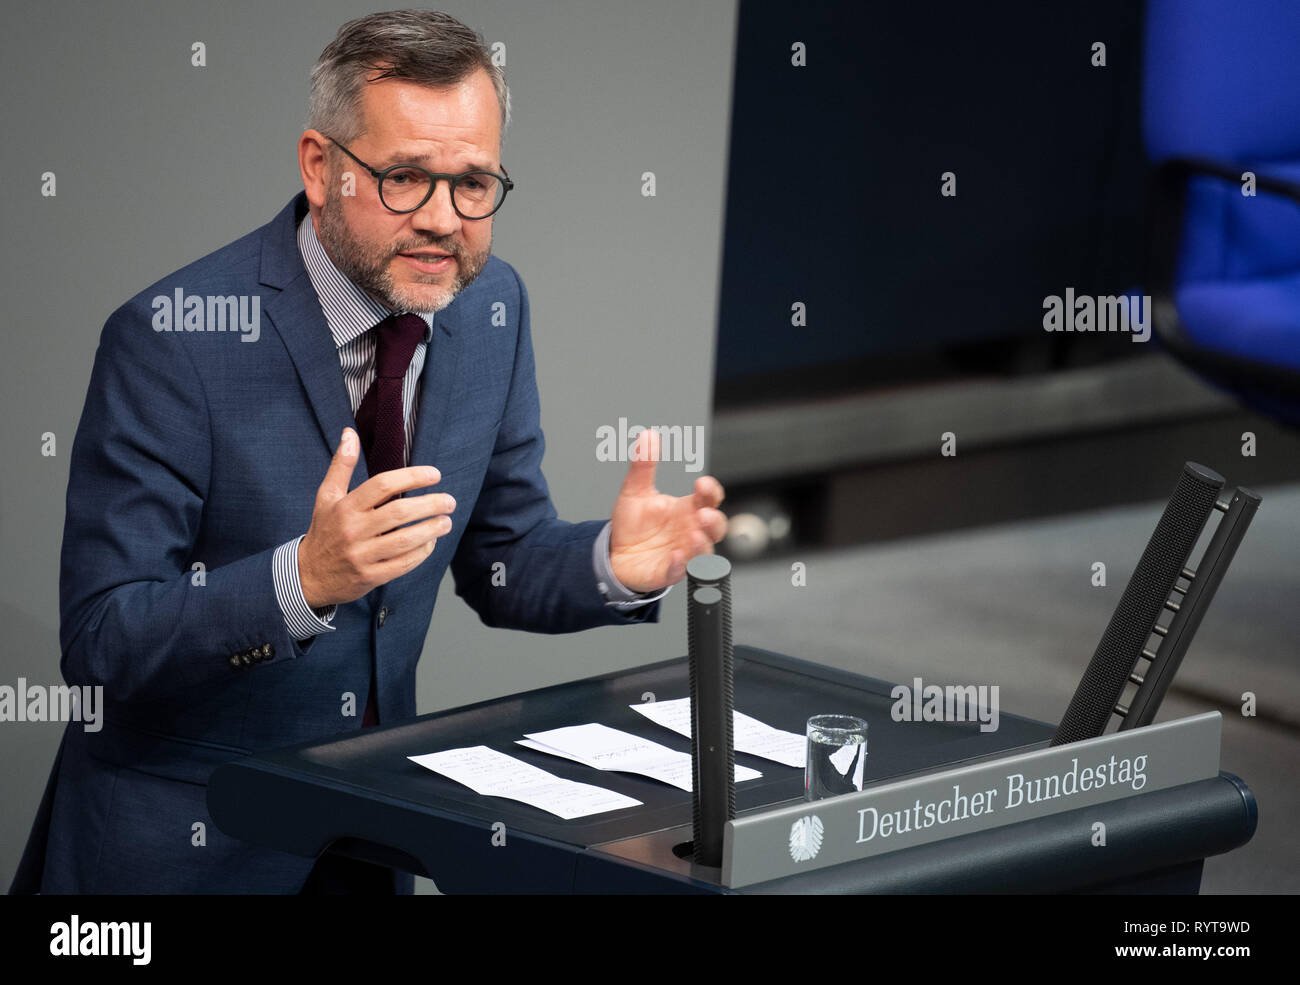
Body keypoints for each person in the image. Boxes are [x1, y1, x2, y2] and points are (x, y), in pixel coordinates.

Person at [11, 9, 726, 894]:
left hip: (372, 833)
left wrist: (613, 565)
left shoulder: (491, 305)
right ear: (321, 168)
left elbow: (500, 556)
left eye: (473, 183)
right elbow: (101, 641)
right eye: (403, 179)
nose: (442, 220)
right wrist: (301, 580)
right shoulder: (172, 341)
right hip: (183, 848)